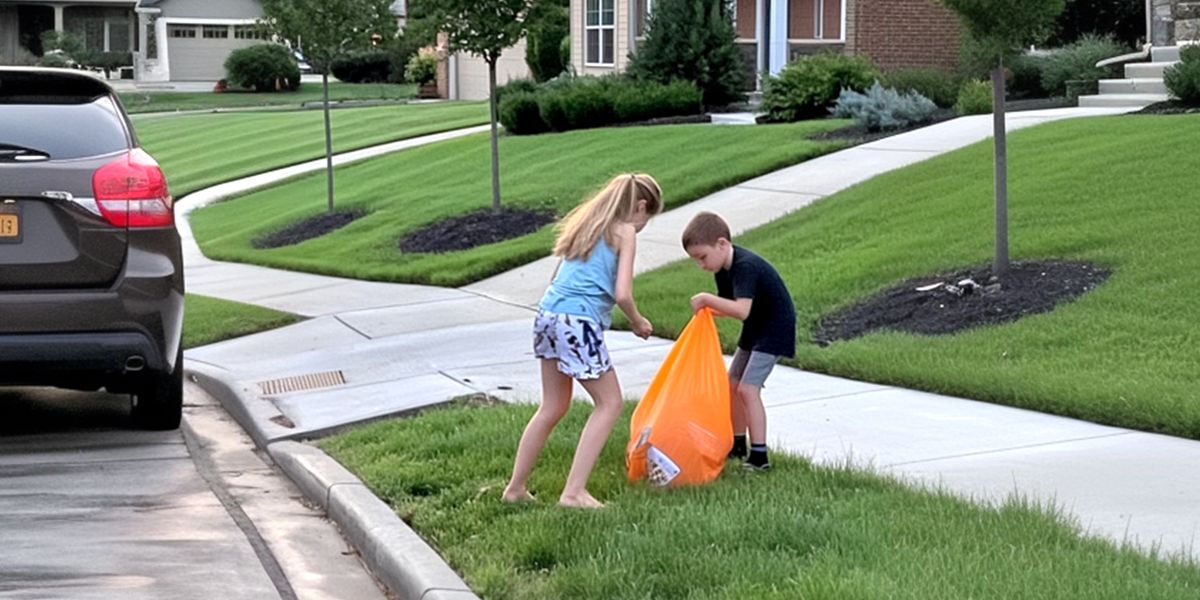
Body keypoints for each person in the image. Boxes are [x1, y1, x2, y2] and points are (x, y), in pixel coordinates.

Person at [502, 173, 663, 509]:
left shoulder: (587, 224)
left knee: (552, 405)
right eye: (647, 218)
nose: (642, 226)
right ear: (640, 206)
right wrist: (638, 321)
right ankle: (573, 493)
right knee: (610, 403)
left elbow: (555, 278)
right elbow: (622, 293)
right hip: (578, 322)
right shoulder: (625, 231)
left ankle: (515, 488)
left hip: (548, 315)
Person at [681, 211, 796, 471]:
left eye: (702, 257)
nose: (701, 265)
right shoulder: (722, 269)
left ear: (722, 244)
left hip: (774, 329)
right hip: (755, 327)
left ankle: (759, 457)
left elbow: (741, 309)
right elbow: (730, 306)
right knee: (732, 384)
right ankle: (737, 444)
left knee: (747, 389)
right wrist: (709, 311)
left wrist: (707, 300)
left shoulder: (745, 266)